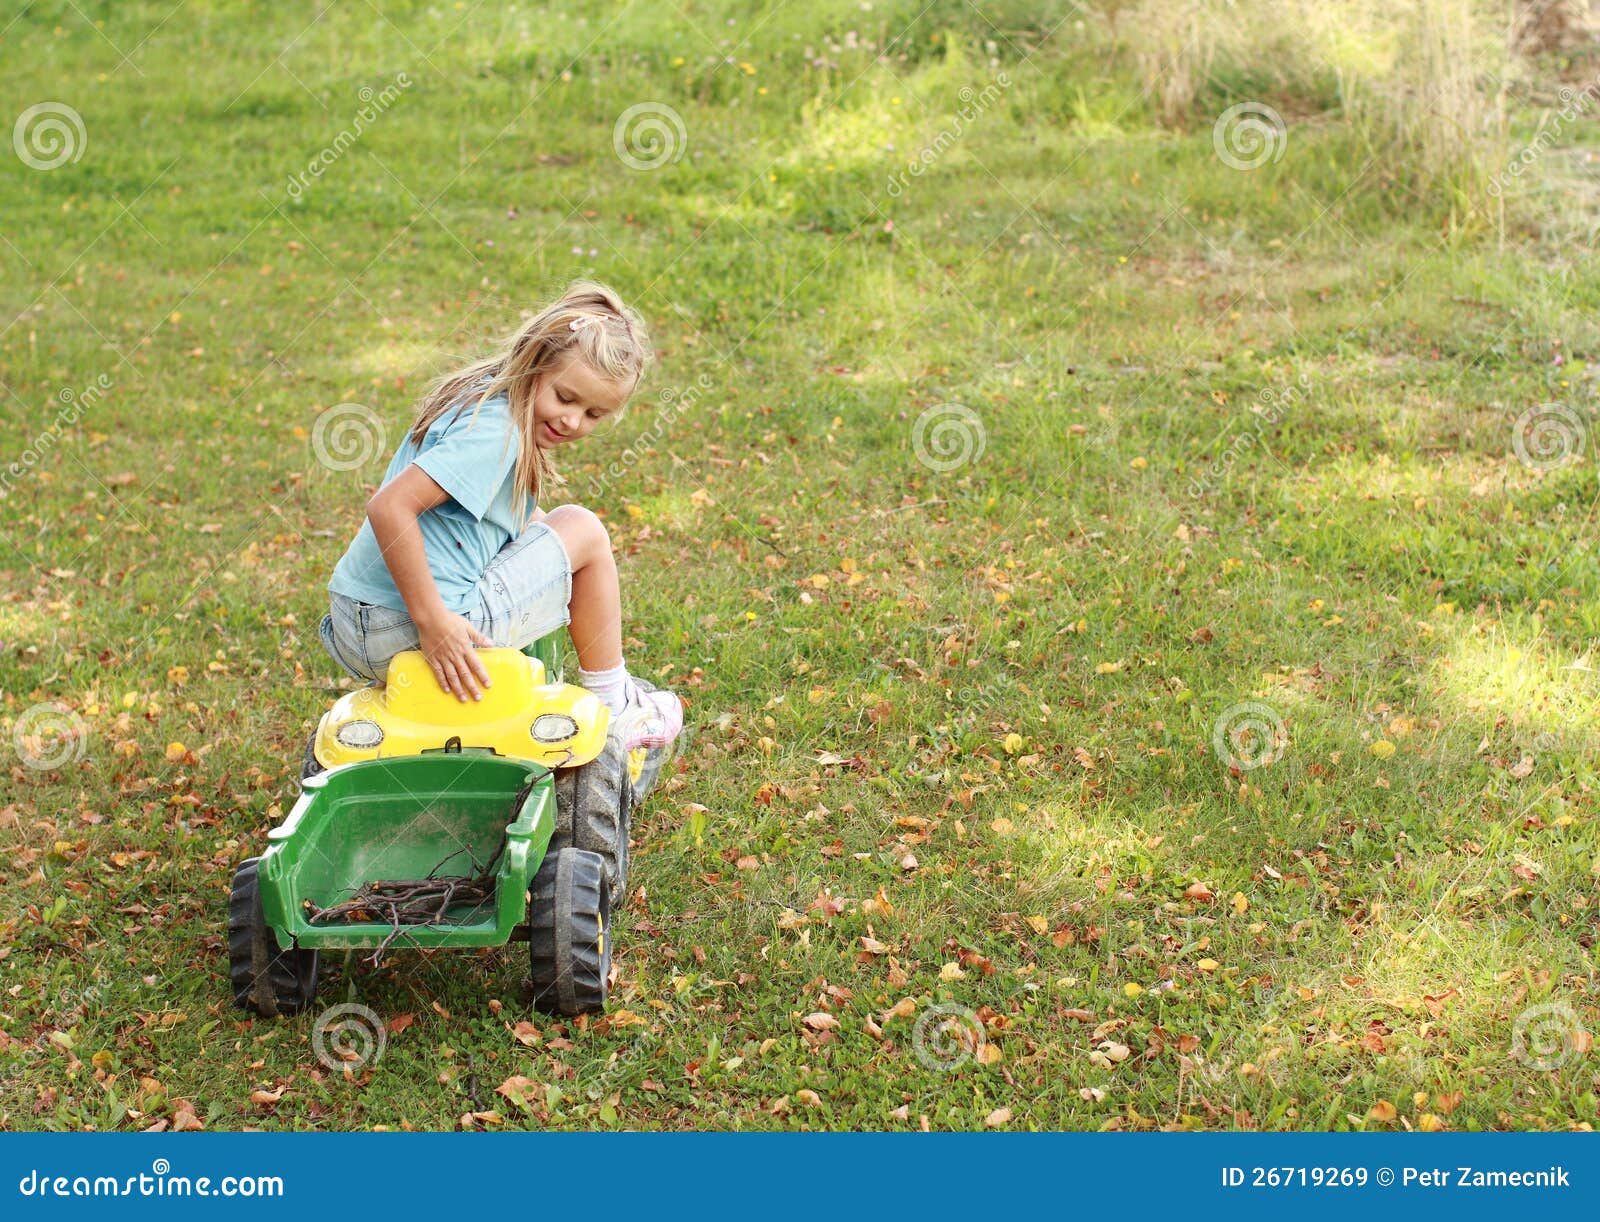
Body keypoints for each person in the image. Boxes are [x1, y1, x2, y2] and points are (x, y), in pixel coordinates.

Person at [317, 279, 683, 751]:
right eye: (566, 398)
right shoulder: (497, 435)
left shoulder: (483, 399)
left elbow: (503, 527)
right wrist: (433, 622)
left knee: (554, 530)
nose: (573, 421)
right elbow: (389, 506)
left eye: (594, 414)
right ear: (536, 362)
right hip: (414, 627)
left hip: (355, 620)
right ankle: (616, 707)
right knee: (586, 532)